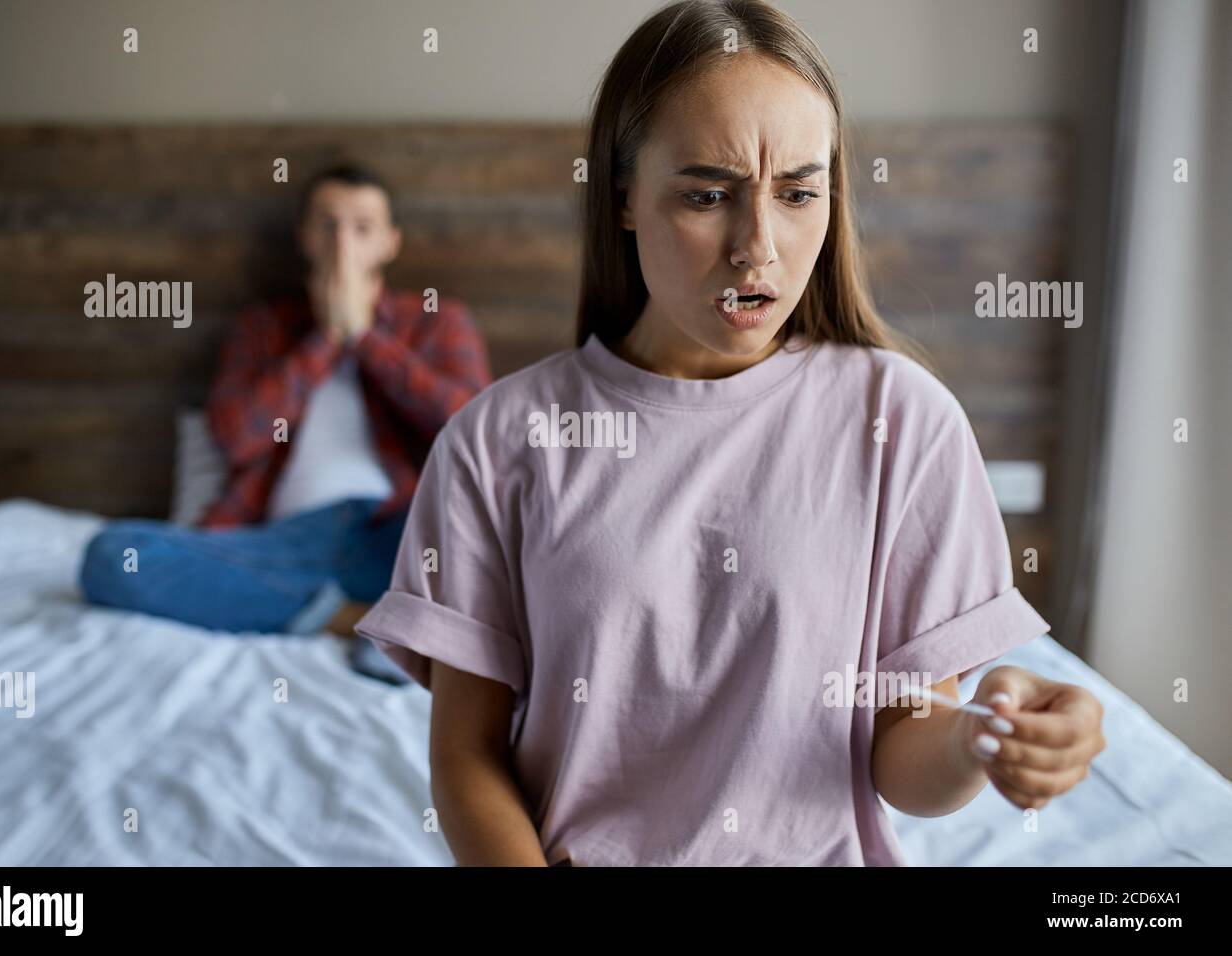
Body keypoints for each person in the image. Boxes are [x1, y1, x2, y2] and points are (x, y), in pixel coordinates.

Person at [353, 0, 1106, 865]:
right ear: (624, 197)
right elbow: (466, 753)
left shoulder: (903, 422)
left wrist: (987, 730)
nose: (758, 247)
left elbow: (904, 762)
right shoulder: (498, 442)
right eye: (707, 195)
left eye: (796, 193)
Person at [79, 163, 491, 680]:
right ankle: (369, 620)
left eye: (362, 227)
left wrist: (365, 338)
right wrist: (325, 338)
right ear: (303, 237)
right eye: (328, 225)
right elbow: (234, 439)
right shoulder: (264, 327)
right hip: (279, 546)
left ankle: (398, 612)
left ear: (390, 242)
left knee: (488, 525)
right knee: (114, 555)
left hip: (395, 532)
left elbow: (473, 437)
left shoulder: (437, 321)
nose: (343, 242)